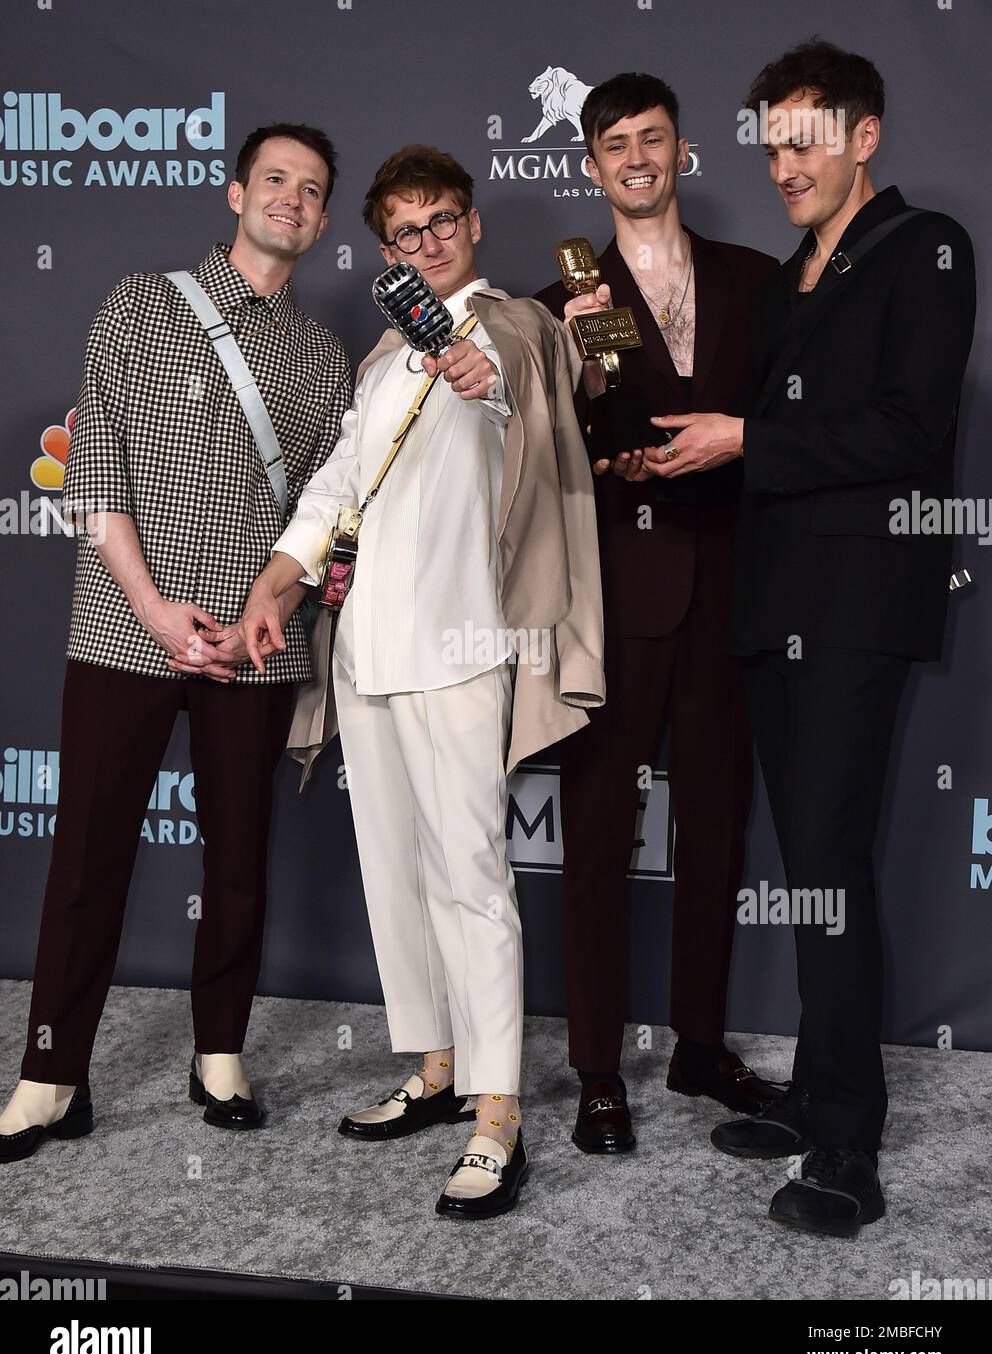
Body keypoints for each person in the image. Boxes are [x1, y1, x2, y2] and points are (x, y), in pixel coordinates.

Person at [641, 41, 976, 1236]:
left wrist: (742, 440)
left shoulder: (924, 248)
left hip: (852, 615)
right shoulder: (788, 277)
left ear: (862, 136)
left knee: (832, 876)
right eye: (769, 143)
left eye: (804, 140)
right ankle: (819, 1094)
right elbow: (755, 437)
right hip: (771, 615)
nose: (782, 163)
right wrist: (678, 447)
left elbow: (905, 426)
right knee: (810, 871)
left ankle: (847, 1149)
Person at [242, 145, 604, 1218]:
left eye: (443, 219)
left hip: (461, 651)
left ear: (473, 222)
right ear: (384, 245)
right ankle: (437, 1065)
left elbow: (521, 410)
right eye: (405, 231)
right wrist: (276, 580)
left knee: (470, 877)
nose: (427, 242)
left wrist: (478, 376)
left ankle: (498, 1112)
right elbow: (337, 483)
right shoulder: (380, 360)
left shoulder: (512, 329)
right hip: (368, 653)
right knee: (393, 873)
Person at [0, 123, 351, 1162]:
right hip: (126, 629)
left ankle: (219, 1054)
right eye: (275, 179)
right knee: (87, 858)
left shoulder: (323, 356)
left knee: (239, 855)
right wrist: (157, 610)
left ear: (324, 220)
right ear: (236, 190)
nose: (291, 199)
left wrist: (274, 611)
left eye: (311, 190)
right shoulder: (139, 304)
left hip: (255, 643)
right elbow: (94, 471)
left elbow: (325, 516)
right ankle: (52, 1076)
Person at [534, 72, 782, 1155]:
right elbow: (533, 458)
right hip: (614, 596)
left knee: (717, 824)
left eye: (651, 139)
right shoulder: (557, 303)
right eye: (612, 146)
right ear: (589, 167)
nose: (634, 158)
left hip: (731, 587)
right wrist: (596, 429)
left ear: (682, 153)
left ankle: (696, 1039)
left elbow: (783, 422)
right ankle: (595, 1064)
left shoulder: (758, 279)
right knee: (593, 828)